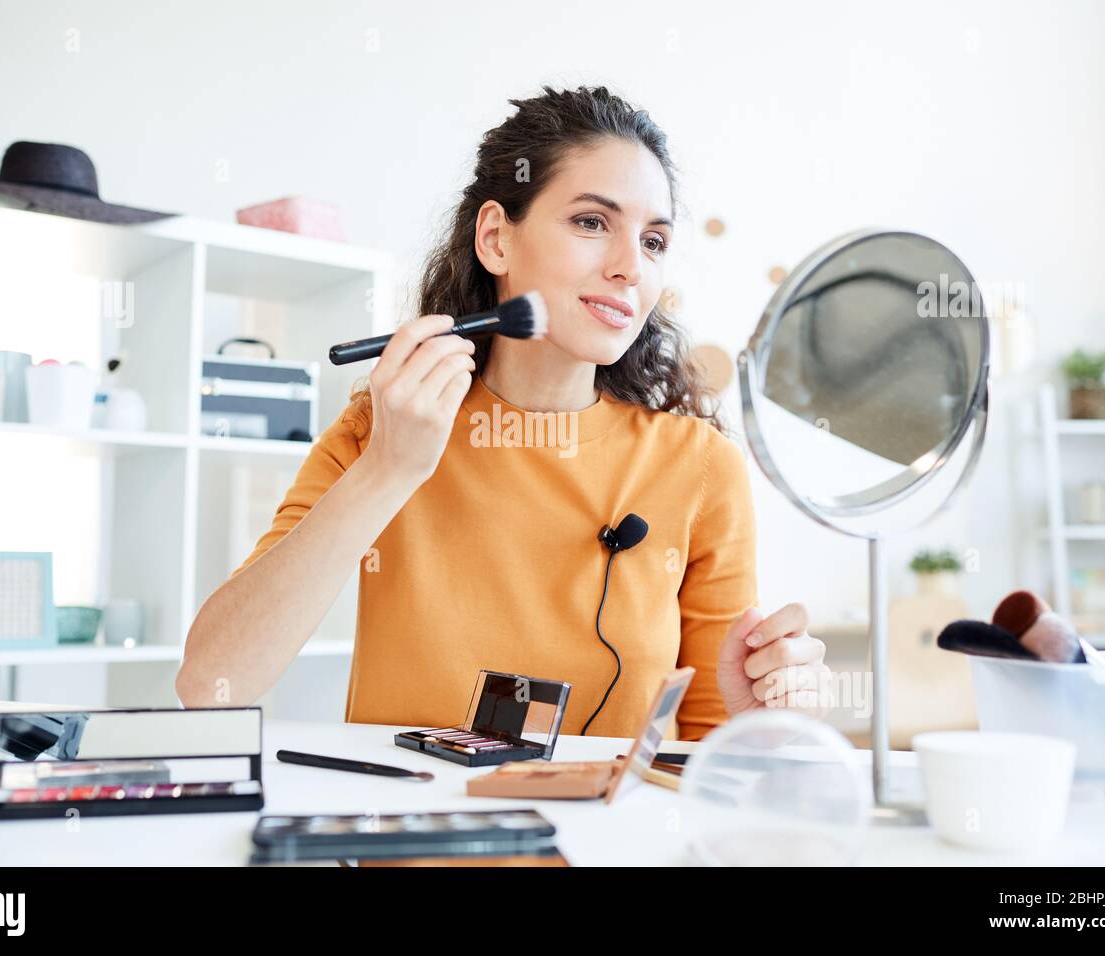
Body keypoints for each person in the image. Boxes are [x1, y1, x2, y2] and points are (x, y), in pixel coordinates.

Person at [177, 85, 830, 740]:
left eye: (654, 241)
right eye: (591, 222)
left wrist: (764, 719)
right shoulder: (386, 427)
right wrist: (387, 471)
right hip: (413, 836)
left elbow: (708, 758)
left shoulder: (701, 466)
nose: (631, 267)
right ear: (495, 239)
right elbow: (211, 683)